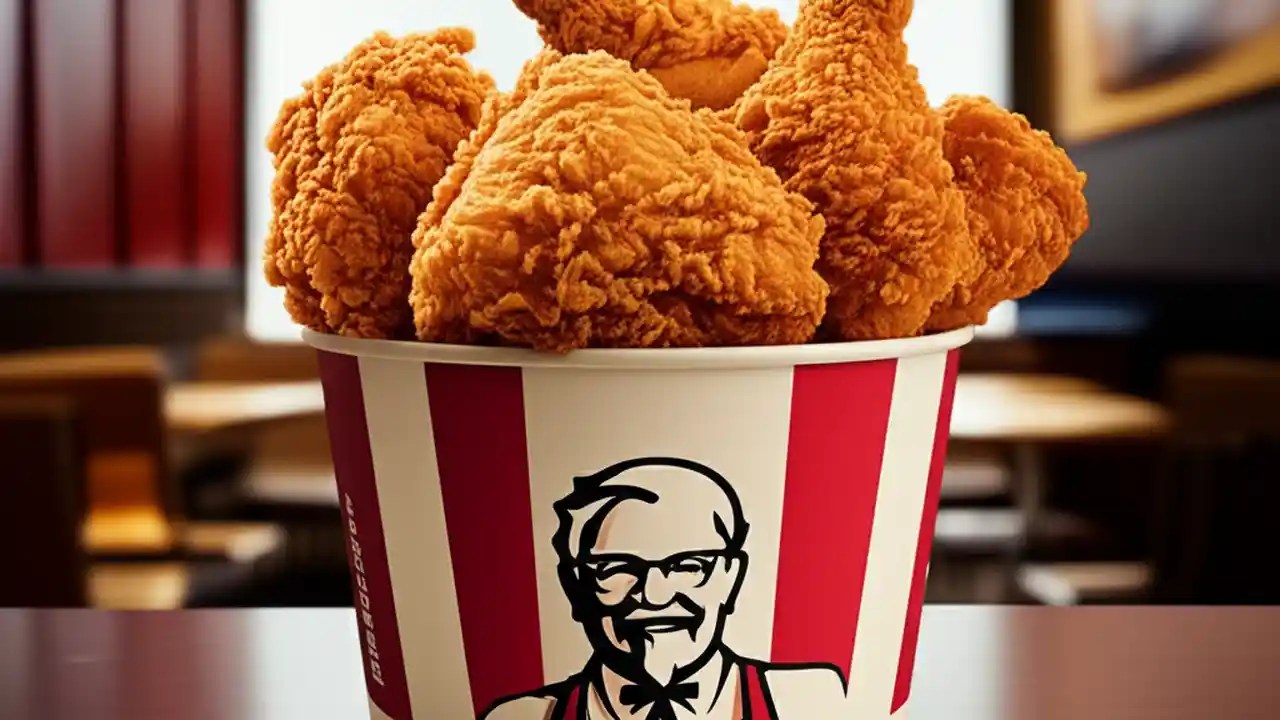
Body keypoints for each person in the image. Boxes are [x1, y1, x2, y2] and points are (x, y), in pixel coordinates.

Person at [485, 457, 846, 720]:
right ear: (575, 587)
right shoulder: (526, 715)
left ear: (731, 578)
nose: (655, 595)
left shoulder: (809, 698)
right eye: (617, 569)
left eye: (689, 566)